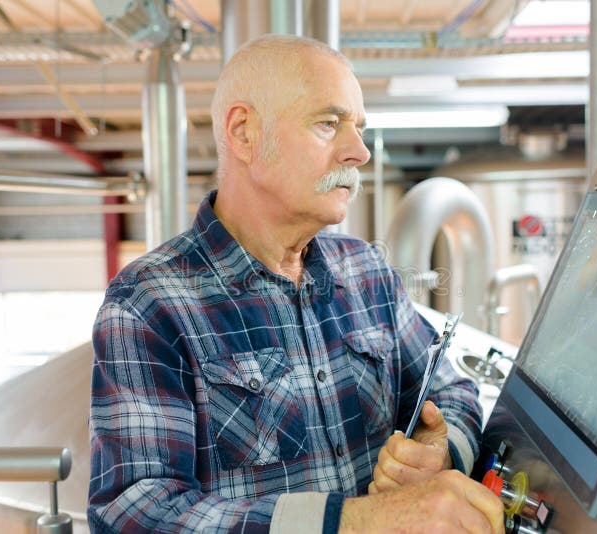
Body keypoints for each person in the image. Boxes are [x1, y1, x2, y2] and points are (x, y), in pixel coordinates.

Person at [87, 34, 503, 534]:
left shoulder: (368, 273)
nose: (359, 152)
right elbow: (138, 512)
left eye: (359, 128)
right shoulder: (149, 304)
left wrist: (443, 447)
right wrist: (352, 522)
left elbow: (451, 388)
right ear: (243, 133)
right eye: (329, 124)